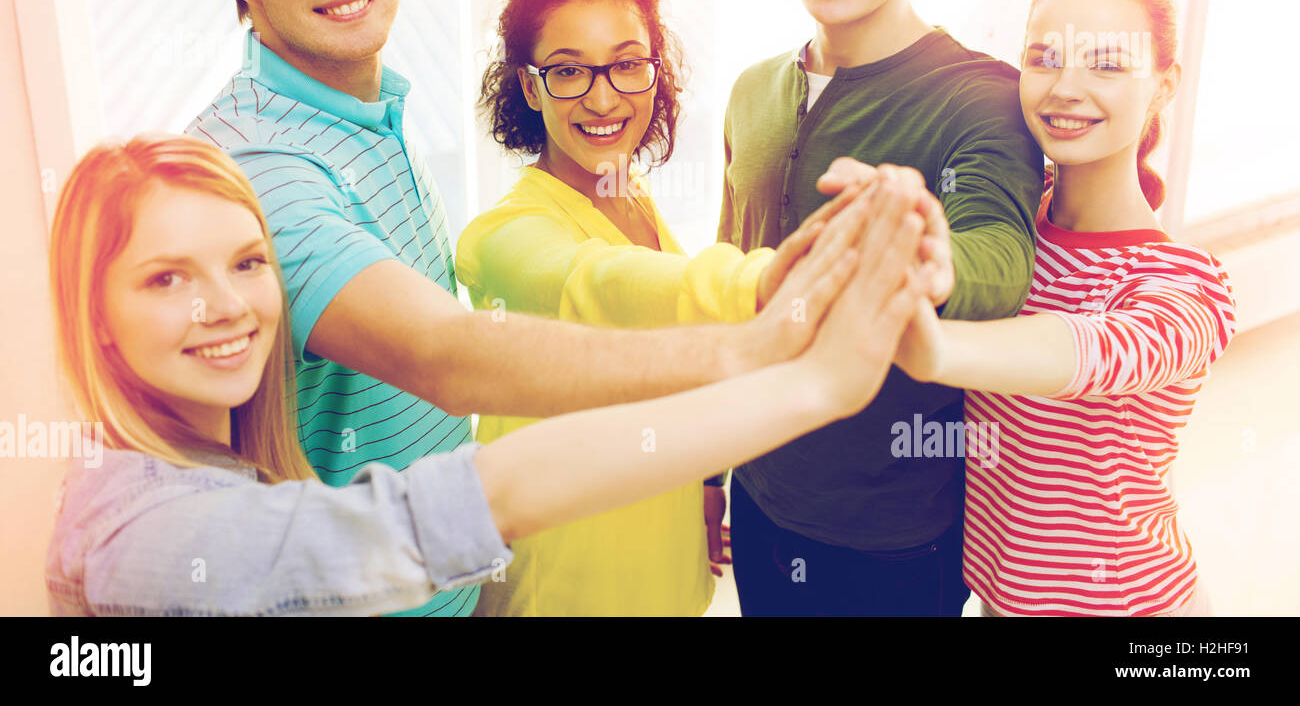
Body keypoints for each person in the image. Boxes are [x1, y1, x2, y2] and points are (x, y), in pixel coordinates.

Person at [184, 0, 854, 616]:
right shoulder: (258, 169)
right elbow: (451, 352)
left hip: (448, 581)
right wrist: (756, 316)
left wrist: (707, 474)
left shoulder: (368, 117)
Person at [44, 134, 926, 616]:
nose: (225, 307)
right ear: (96, 322)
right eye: (166, 279)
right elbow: (471, 498)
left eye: (246, 263)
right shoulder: (142, 544)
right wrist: (790, 369)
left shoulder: (198, 464)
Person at [717, 0, 1044, 616]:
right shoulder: (754, 90)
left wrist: (933, 255)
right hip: (759, 490)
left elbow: (997, 256)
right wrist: (709, 472)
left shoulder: (982, 99)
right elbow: (726, 283)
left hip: (894, 535)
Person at [458, 0, 844, 615]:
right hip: (567, 586)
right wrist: (767, 280)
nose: (603, 99)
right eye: (570, 71)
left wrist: (703, 478)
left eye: (627, 65)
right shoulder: (503, 237)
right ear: (529, 84)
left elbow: (664, 361)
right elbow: (600, 280)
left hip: (659, 577)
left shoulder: (630, 192)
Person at [878, 0, 1237, 616]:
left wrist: (930, 342)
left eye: (1104, 63)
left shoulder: (1187, 285)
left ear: (1164, 84)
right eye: (1044, 58)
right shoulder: (1007, 228)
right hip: (1000, 598)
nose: (1066, 88)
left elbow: (1087, 352)